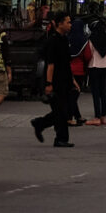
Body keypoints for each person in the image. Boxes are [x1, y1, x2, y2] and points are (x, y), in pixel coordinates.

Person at [30, 11, 77, 148]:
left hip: (65, 80)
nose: (70, 25)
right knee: (61, 111)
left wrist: (72, 80)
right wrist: (49, 84)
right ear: (60, 24)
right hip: (55, 81)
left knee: (62, 110)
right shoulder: (53, 41)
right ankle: (61, 138)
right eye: (68, 22)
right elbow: (51, 64)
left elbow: (66, 63)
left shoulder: (64, 39)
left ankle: (39, 123)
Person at [85, 17, 106, 126]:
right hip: (105, 66)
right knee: (103, 93)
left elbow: (88, 54)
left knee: (95, 93)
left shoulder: (91, 39)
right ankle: (103, 117)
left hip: (94, 67)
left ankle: (97, 117)